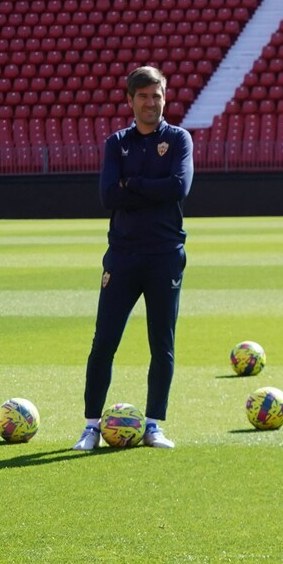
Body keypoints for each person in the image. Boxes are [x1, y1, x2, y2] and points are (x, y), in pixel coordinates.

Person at [75, 66, 192, 451]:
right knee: (104, 341)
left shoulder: (178, 139)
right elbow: (108, 196)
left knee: (162, 343)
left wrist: (135, 184)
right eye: (142, 96)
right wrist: (148, 189)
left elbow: (179, 186)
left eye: (156, 95)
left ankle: (154, 424)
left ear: (165, 98)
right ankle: (91, 426)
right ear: (130, 100)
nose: (150, 102)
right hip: (123, 256)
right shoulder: (116, 143)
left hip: (164, 256)